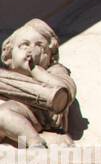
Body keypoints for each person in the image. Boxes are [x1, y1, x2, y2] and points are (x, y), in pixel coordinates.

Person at [0, 19, 75, 148]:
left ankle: (34, 141)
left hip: (39, 116)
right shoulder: (4, 76)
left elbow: (65, 88)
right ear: (9, 55)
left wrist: (38, 72)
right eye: (24, 45)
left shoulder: (54, 70)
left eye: (40, 46)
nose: (31, 50)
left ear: (50, 55)